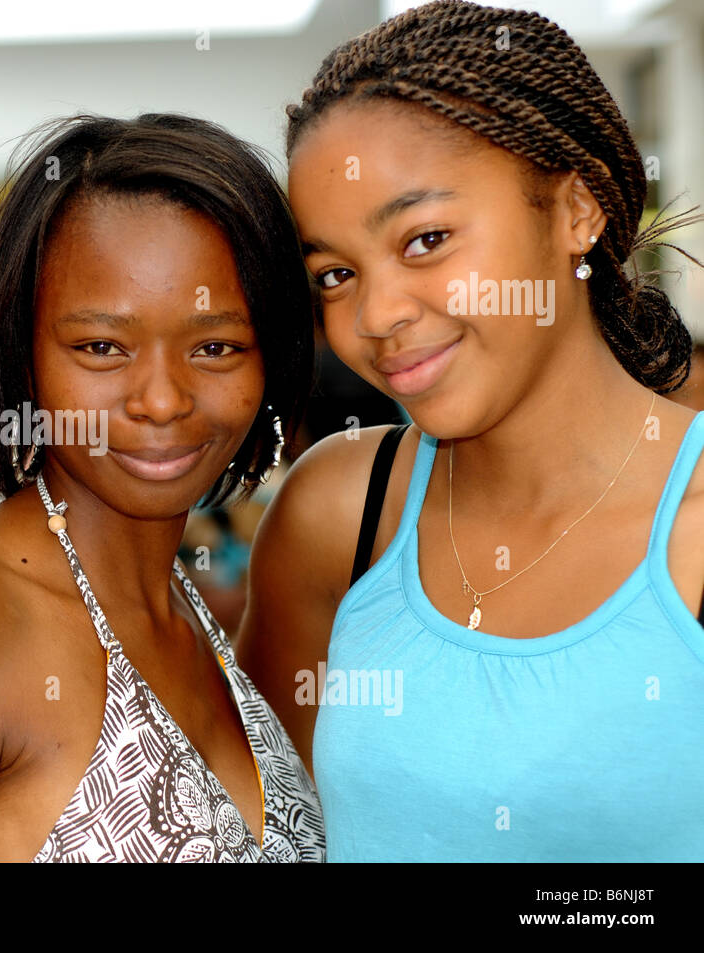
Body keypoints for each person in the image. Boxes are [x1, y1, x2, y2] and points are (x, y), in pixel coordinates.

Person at [237, 0, 704, 861]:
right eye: (335, 274)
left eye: (425, 240)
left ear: (577, 210)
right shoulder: (339, 515)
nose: (374, 315)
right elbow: (274, 836)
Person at [0, 114, 325, 862]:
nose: (161, 400)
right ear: (23, 355)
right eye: (102, 347)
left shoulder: (192, 615)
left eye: (216, 346)